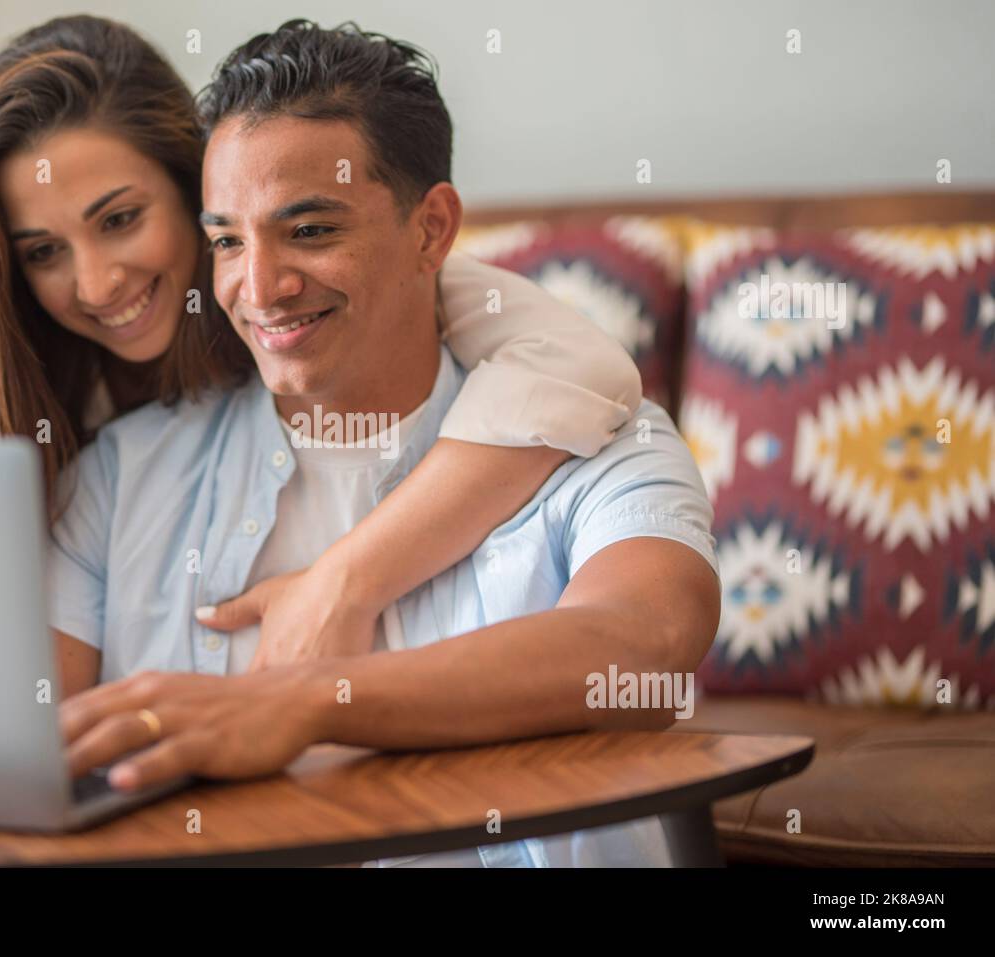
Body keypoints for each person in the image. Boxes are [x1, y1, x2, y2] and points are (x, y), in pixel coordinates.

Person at [54, 20, 721, 867]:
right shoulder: (118, 480)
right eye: (227, 240)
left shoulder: (601, 445)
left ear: (432, 229)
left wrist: (308, 700)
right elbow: (13, 763)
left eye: (311, 231)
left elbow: (649, 642)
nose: (258, 288)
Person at [0, 14, 644, 680]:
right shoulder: (78, 439)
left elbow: (584, 370)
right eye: (44, 250)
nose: (95, 284)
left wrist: (342, 582)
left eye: (119, 219)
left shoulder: (412, 290)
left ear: (197, 190)